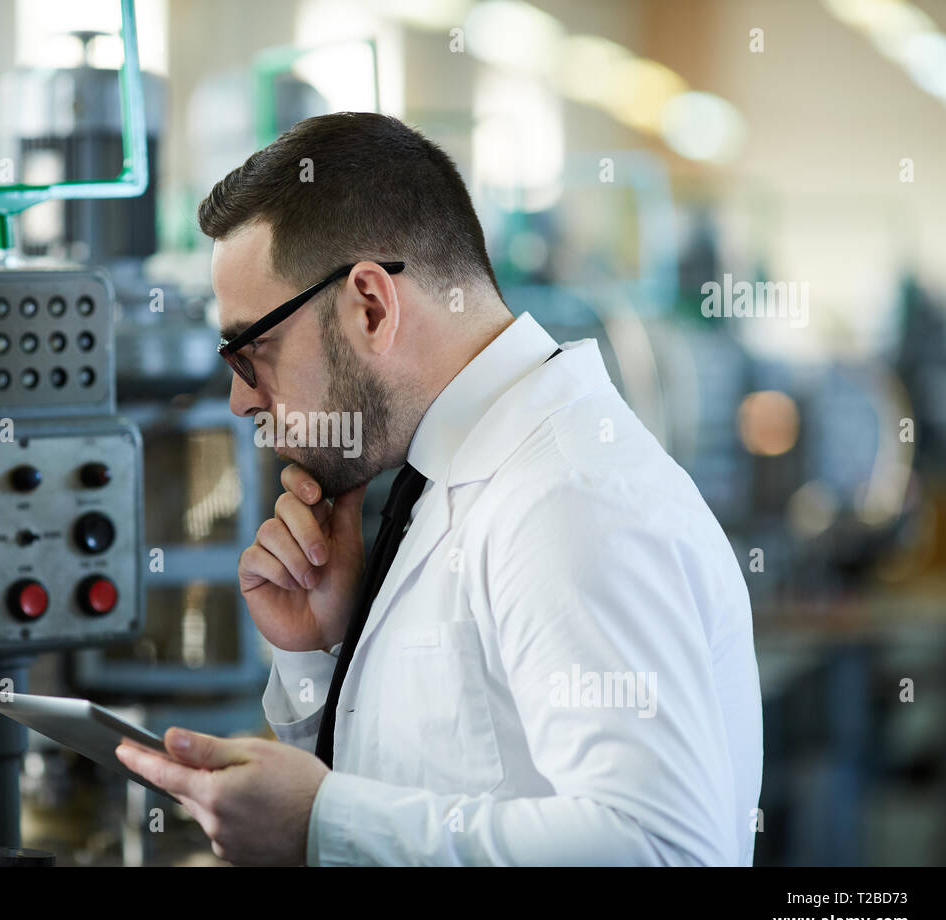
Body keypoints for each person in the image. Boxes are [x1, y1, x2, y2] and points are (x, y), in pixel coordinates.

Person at [117, 112, 762, 866]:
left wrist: (324, 827)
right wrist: (323, 654)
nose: (240, 400)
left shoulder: (568, 500)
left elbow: (661, 848)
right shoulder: (448, 479)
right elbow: (434, 780)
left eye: (250, 351)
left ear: (371, 306)